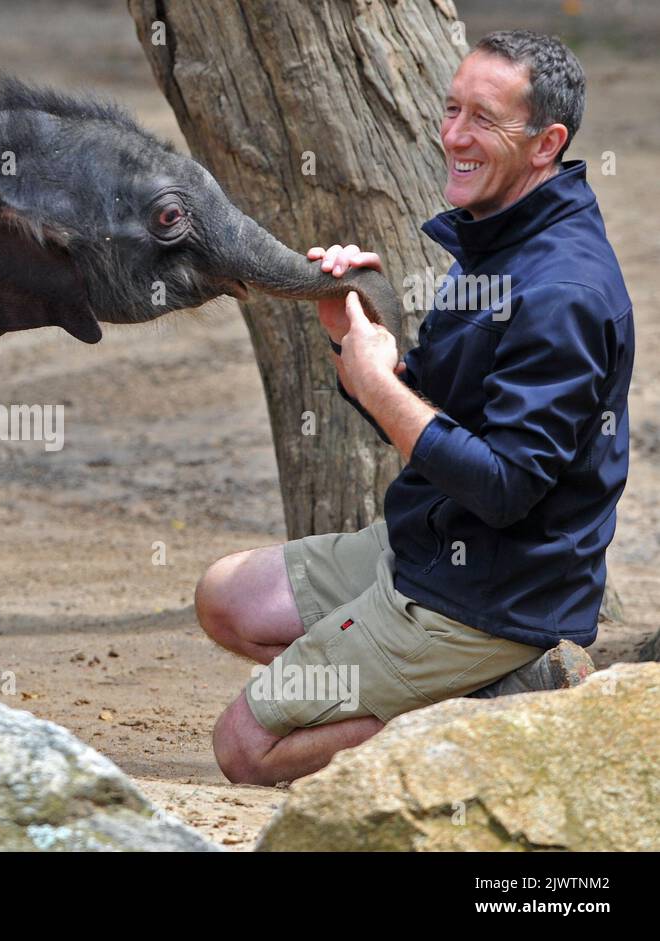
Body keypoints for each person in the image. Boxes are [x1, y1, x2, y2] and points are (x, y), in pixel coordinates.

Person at [196, 30, 633, 785]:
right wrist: (357, 345)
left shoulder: (560, 291)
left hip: (491, 595)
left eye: (483, 119)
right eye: (451, 109)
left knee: (244, 747)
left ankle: (502, 704)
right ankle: (463, 689)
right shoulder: (498, 239)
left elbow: (503, 487)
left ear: (545, 143)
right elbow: (434, 407)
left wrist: (377, 385)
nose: (454, 136)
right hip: (428, 546)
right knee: (225, 598)